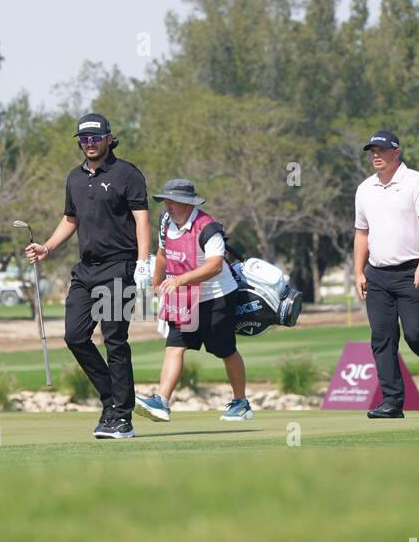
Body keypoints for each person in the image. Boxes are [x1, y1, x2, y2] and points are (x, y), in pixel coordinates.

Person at [25, 113, 150, 440]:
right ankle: (111, 400)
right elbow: (71, 219)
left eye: (96, 137)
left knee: (115, 341)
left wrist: (143, 263)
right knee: (75, 336)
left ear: (110, 138)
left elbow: (142, 222)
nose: (90, 143)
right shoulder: (75, 178)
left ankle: (122, 417)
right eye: (84, 139)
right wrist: (47, 248)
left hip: (119, 268)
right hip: (87, 270)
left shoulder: (127, 174)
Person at [354, 130, 419, 418]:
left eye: (381, 150)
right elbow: (362, 233)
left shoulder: (417, 182)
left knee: (416, 335)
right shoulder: (364, 189)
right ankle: (392, 403)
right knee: (382, 338)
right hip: (377, 275)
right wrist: (358, 272)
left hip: (412, 272)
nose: (376, 155)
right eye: (372, 151)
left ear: (396, 152)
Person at [134, 179, 252, 423]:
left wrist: (180, 280)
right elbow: (163, 255)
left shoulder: (208, 228)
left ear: (188, 204)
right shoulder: (166, 222)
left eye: (173, 202)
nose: (168, 207)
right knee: (175, 345)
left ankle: (241, 402)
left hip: (217, 297)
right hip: (185, 298)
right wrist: (157, 286)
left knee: (225, 350)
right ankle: (162, 401)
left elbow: (214, 266)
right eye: (166, 201)